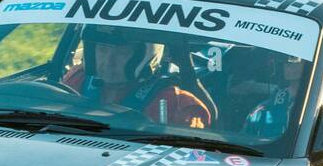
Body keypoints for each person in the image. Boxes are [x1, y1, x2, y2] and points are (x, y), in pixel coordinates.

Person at [62, 26, 211, 129]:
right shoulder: (77, 79)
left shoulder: (177, 104)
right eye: (102, 49)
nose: (109, 61)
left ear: (147, 54)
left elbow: (189, 158)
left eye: (121, 52)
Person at [239, 55, 306, 140]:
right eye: (286, 61)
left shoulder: (315, 109)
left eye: (296, 60)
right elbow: (244, 141)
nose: (288, 65)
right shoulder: (263, 111)